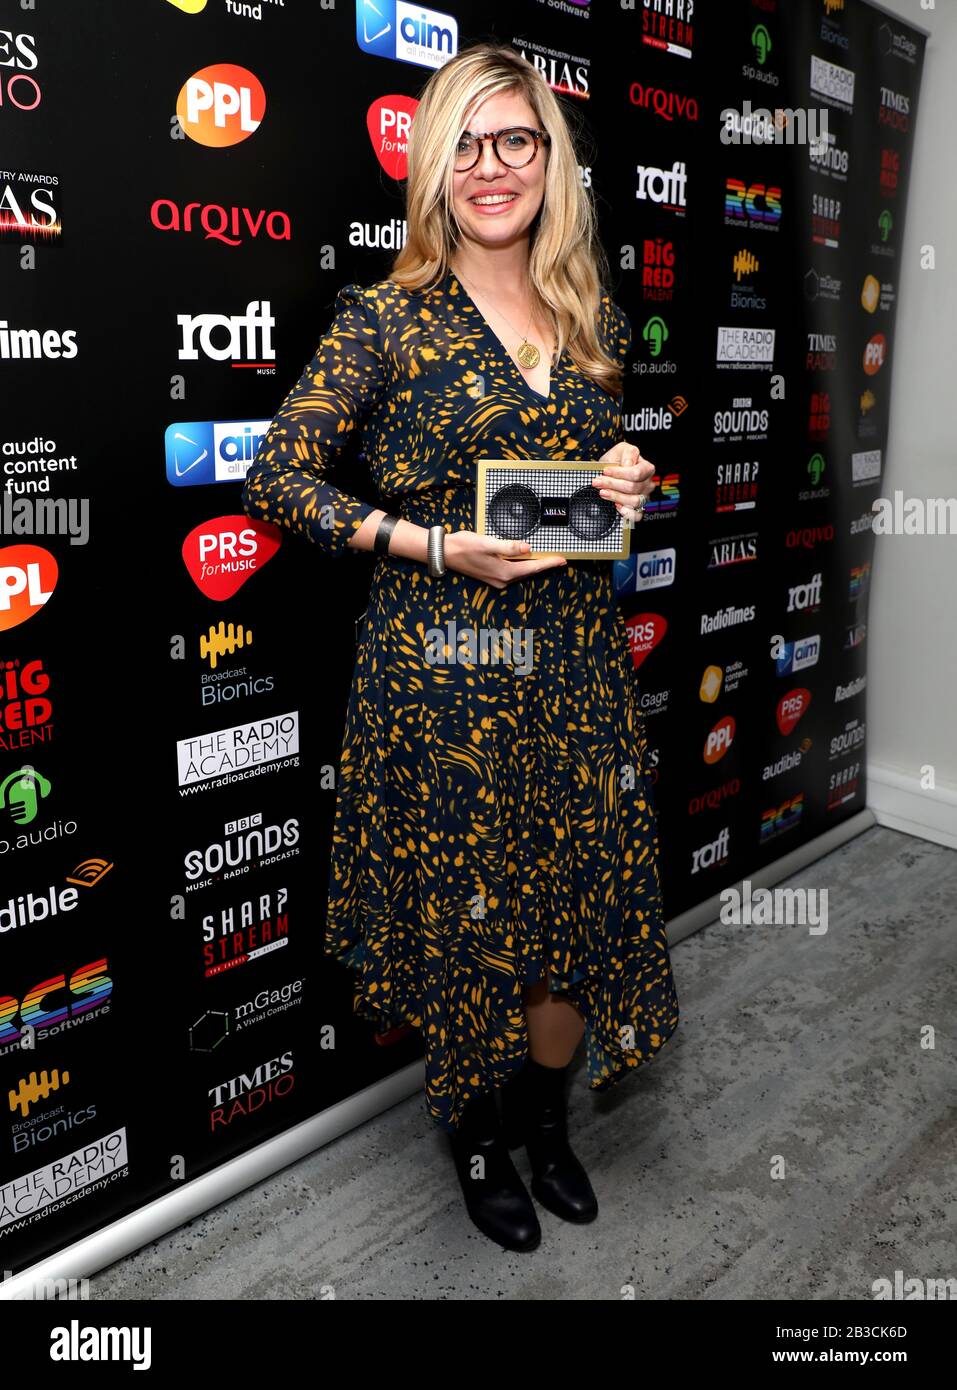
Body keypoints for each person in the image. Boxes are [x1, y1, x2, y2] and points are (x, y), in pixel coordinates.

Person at [241, 42, 680, 1253]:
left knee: (573, 914)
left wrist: (621, 479)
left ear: (551, 158)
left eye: (518, 140)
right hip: (442, 674)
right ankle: (478, 1132)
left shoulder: (590, 313)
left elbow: (581, 483)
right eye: (469, 143)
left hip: (578, 666)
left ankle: (546, 1120)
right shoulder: (387, 319)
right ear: (436, 164)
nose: (494, 167)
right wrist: (429, 545)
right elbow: (278, 476)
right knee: (474, 918)